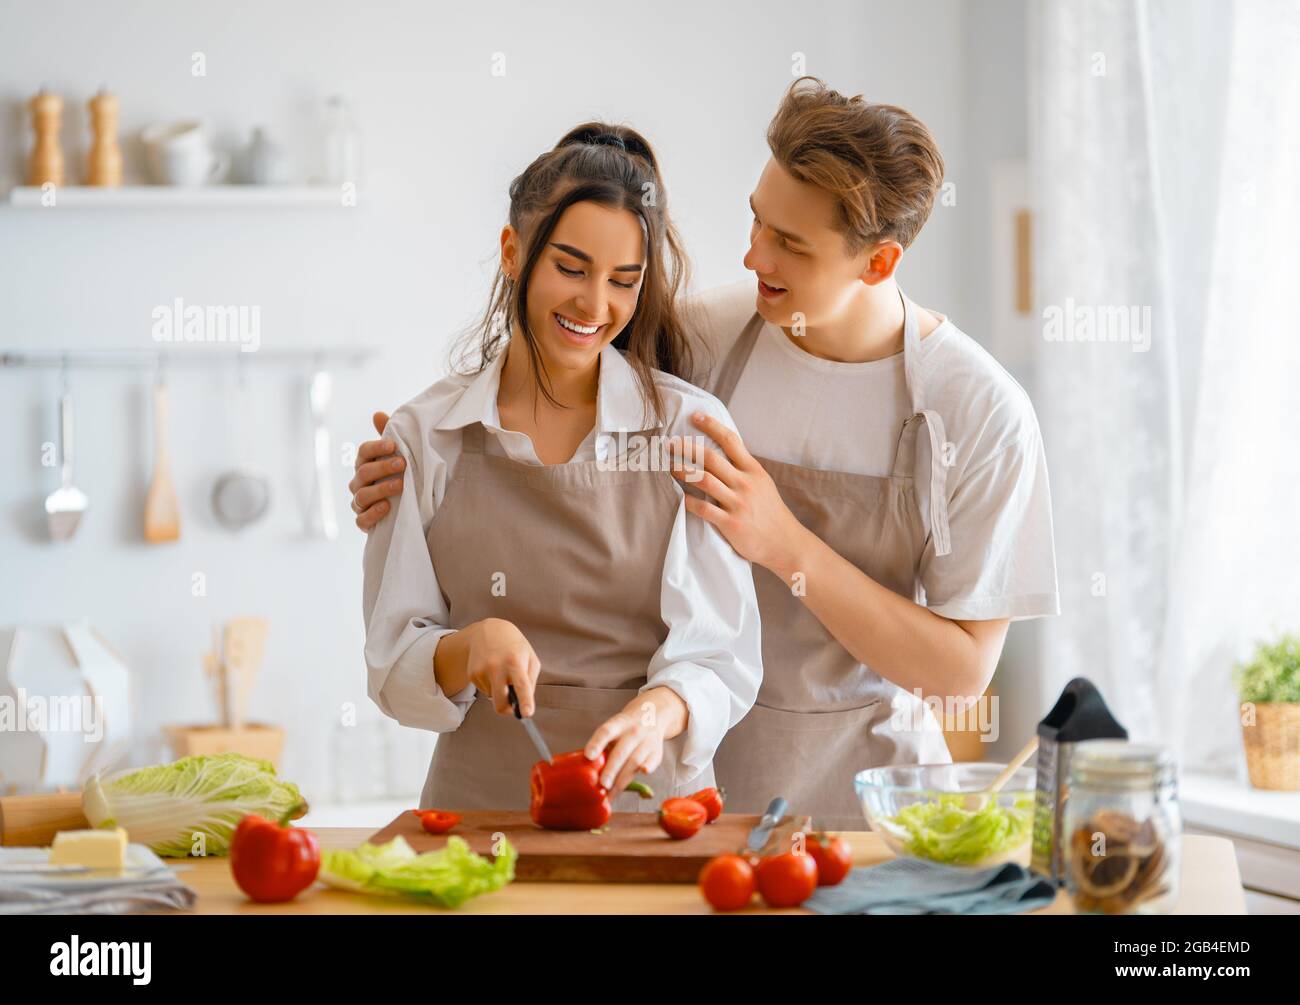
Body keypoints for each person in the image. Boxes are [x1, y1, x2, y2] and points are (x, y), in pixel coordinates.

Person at [355, 81, 1060, 829]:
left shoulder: (980, 413)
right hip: (690, 789)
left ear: (879, 264)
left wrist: (783, 541)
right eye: (758, 221)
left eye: (791, 244)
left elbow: (960, 672)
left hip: (867, 788)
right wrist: (398, 470)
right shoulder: (702, 338)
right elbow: (556, 380)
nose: (754, 255)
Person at [362, 123, 762, 812]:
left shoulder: (689, 432)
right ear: (513, 253)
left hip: (649, 810)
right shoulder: (426, 437)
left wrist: (659, 711)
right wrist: (467, 648)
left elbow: (721, 657)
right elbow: (391, 666)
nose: (594, 304)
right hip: (478, 813)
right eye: (571, 268)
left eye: (623, 281)